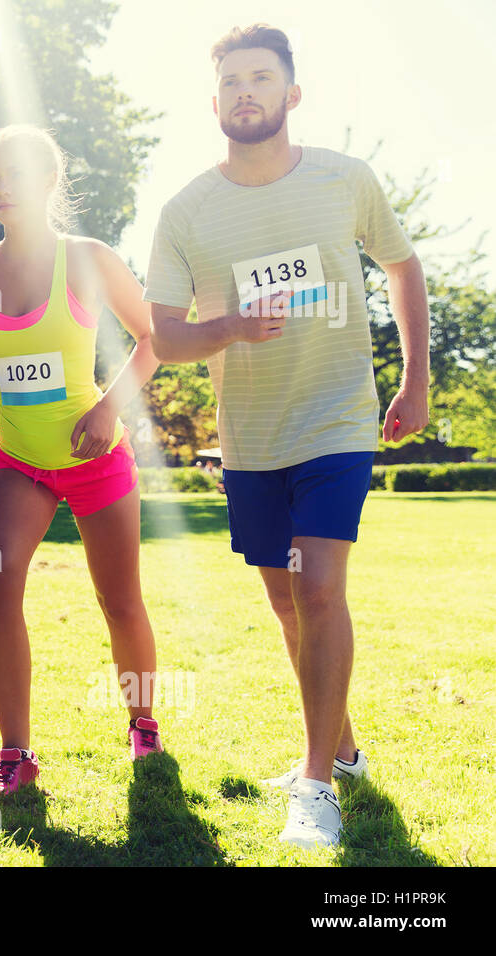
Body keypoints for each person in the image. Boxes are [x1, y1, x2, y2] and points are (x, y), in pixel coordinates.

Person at [143, 24, 429, 848]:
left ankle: (315, 784)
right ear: (215, 102)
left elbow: (402, 266)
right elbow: (165, 335)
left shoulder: (347, 180)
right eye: (232, 81)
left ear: (291, 94)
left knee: (319, 589)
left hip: (338, 415)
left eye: (261, 78)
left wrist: (414, 377)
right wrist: (228, 326)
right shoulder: (188, 210)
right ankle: (343, 751)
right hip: (252, 436)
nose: (245, 92)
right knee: (283, 599)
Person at [0, 125, 161, 796]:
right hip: (21, 463)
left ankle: (143, 723)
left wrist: (109, 410)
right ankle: (16, 753)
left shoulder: (89, 256)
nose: (1, 189)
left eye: (14, 175)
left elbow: (154, 339)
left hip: (96, 456)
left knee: (119, 601)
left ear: (48, 181)